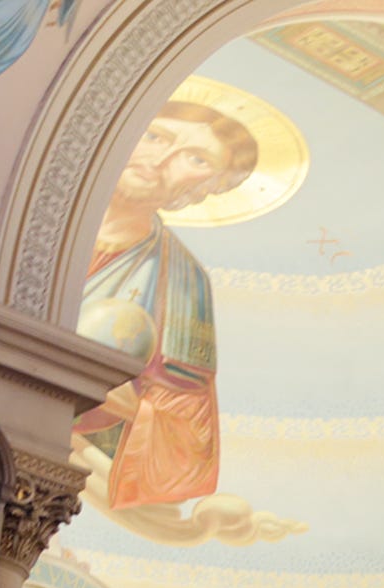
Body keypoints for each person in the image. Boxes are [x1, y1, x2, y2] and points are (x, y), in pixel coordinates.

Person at [72, 101, 260, 512]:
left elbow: (187, 431)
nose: (159, 159)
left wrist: (125, 404)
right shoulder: (45, 213)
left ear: (206, 187)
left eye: (195, 158)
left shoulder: (185, 283)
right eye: (156, 136)